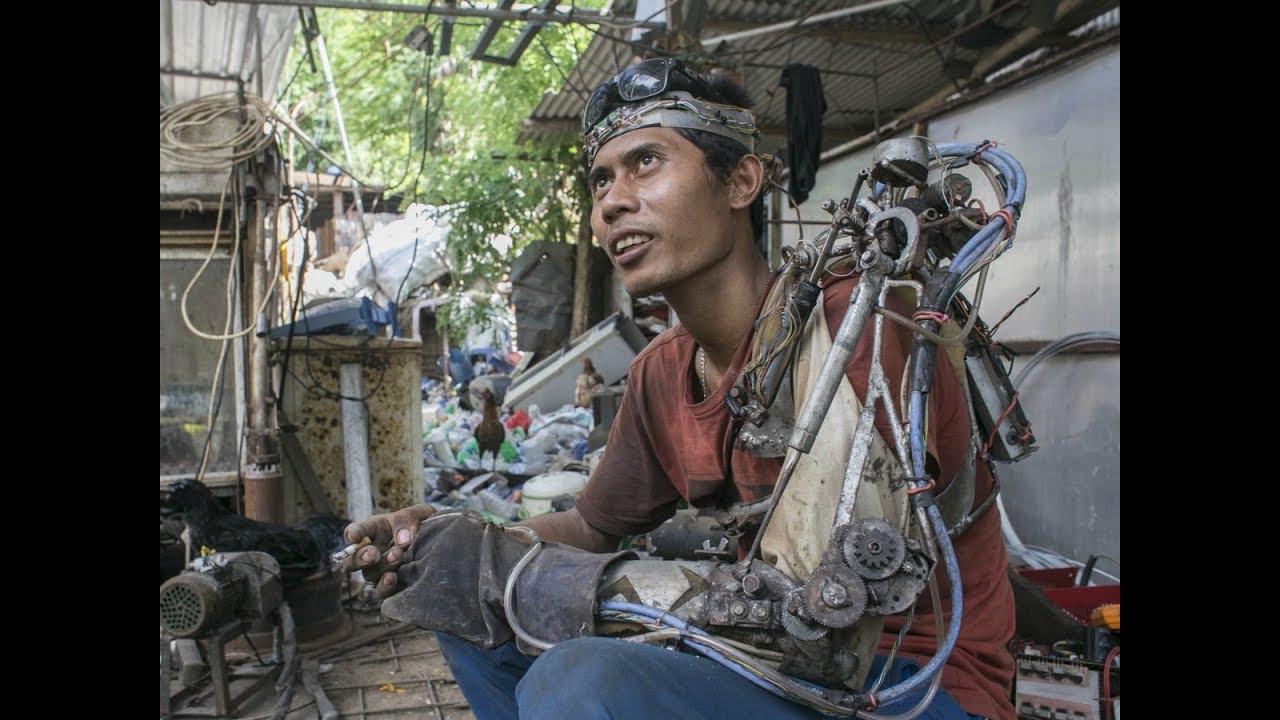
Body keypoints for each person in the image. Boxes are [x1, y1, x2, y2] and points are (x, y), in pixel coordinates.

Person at [344, 57, 1015, 720]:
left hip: (907, 684)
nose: (613, 201)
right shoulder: (661, 371)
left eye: (646, 162)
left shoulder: (856, 328)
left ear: (740, 181)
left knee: (581, 679)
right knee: (462, 597)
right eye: (601, 180)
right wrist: (462, 541)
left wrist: (573, 586)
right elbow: (591, 526)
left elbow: (830, 623)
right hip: (771, 668)